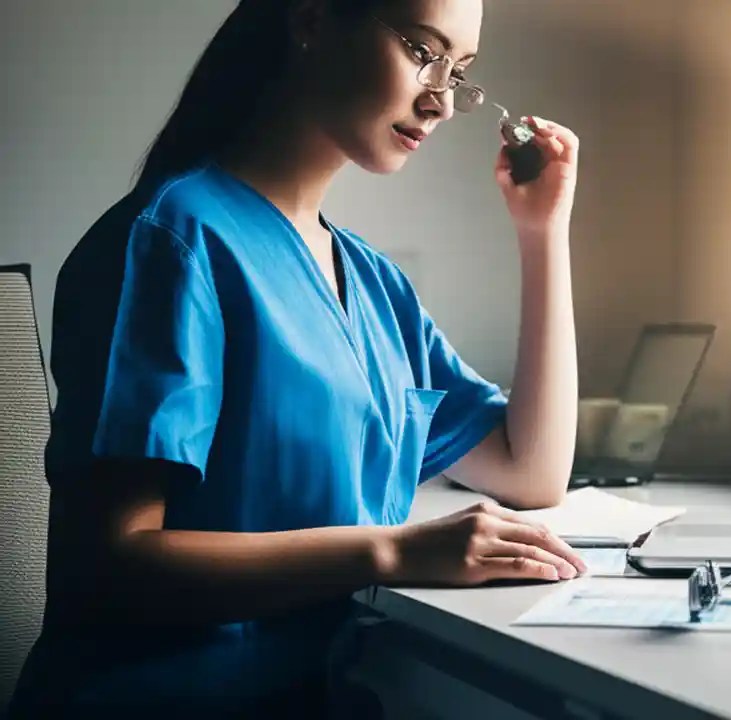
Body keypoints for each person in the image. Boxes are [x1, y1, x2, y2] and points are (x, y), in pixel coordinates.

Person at [8, 0, 587, 715]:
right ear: (311, 20)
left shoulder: (372, 282)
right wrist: (392, 552)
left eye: (460, 73)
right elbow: (104, 566)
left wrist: (543, 233)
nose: (440, 100)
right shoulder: (172, 241)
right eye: (422, 51)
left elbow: (531, 471)